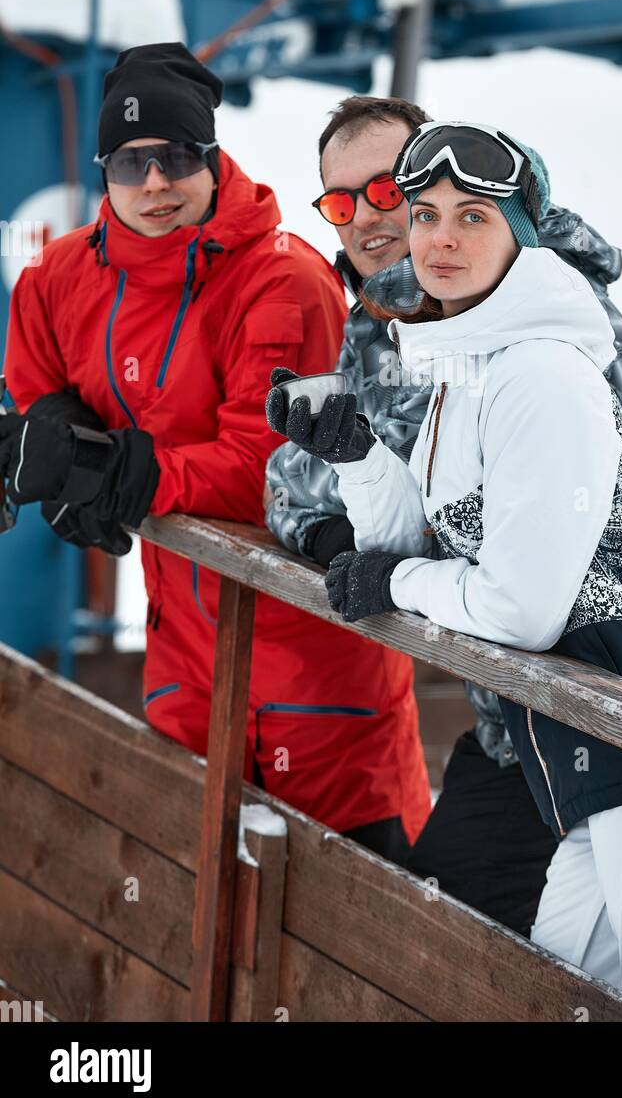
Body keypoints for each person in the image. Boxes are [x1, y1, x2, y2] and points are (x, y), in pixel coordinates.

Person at [267, 120, 622, 1022]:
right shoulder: (455, 361)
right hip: (579, 739)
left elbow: (519, 607)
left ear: (524, 234)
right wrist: (357, 458)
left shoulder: (539, 372)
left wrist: (389, 586)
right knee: (564, 984)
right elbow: (441, 536)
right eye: (427, 214)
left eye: (472, 217)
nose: (436, 237)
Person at [0, 42, 430, 860]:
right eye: (130, 162)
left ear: (211, 154)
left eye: (175, 155)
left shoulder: (284, 282)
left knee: (370, 947)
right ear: (104, 171)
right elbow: (37, 369)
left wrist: (101, 470)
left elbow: (273, 476)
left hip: (323, 688)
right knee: (188, 924)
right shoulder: (60, 276)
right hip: (186, 674)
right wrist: (59, 441)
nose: (155, 182)